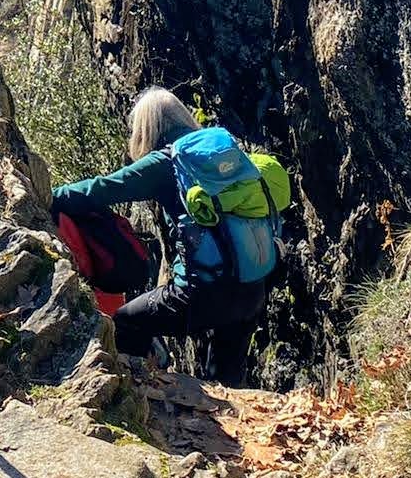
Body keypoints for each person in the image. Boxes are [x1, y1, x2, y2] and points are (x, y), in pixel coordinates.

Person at [51, 88, 272, 383]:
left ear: (146, 129)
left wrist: (47, 194)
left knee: (125, 323)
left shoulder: (166, 163)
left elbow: (102, 189)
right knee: (227, 380)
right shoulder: (224, 153)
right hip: (252, 286)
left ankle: (146, 393)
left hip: (201, 294)